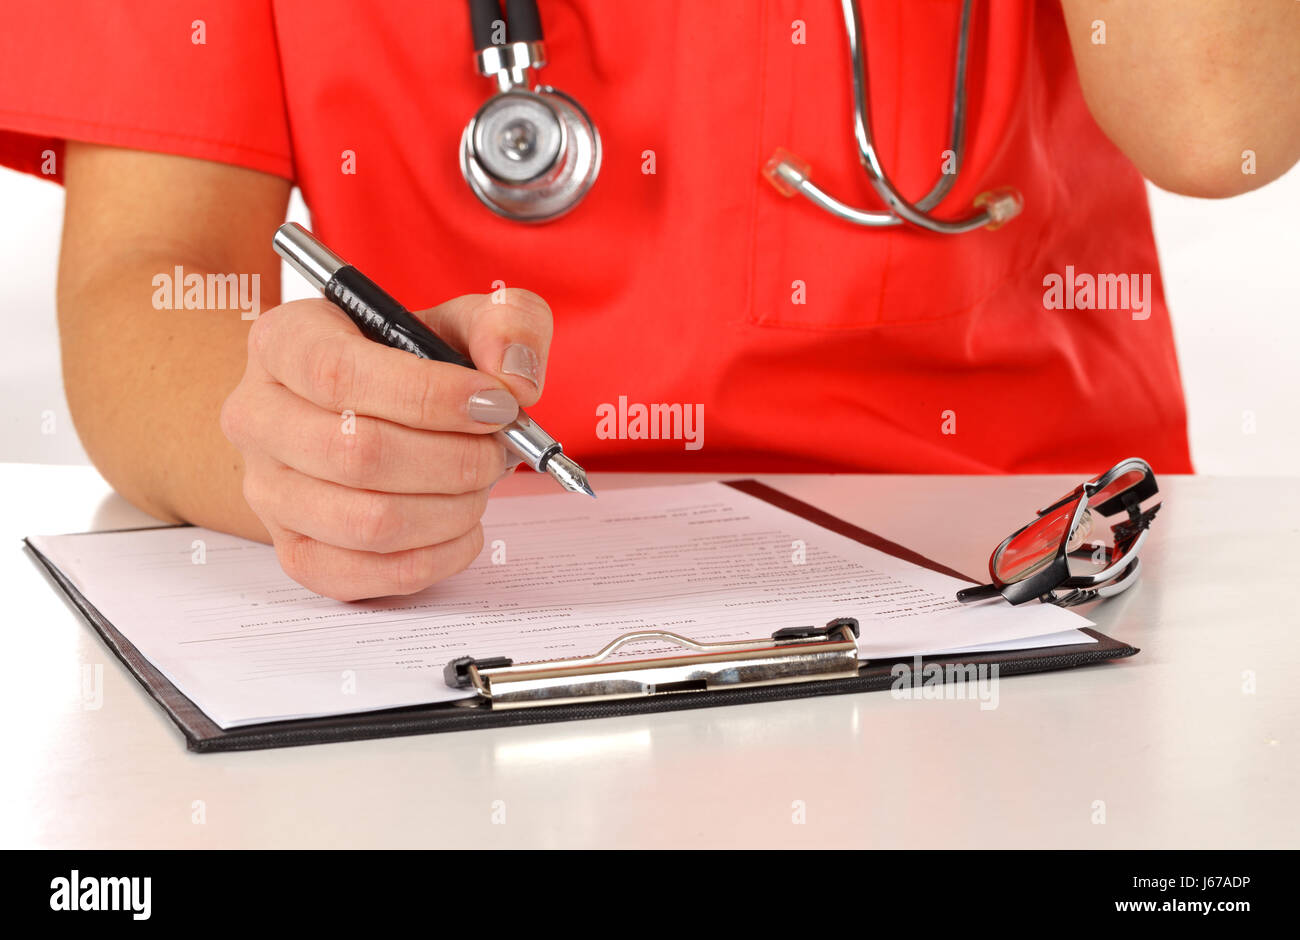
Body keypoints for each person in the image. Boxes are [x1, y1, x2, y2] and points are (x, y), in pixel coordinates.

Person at [1, 1, 1297, 600]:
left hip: (1025, 579)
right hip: (471, 605)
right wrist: (309, 452)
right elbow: (148, 277)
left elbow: (1216, 118)